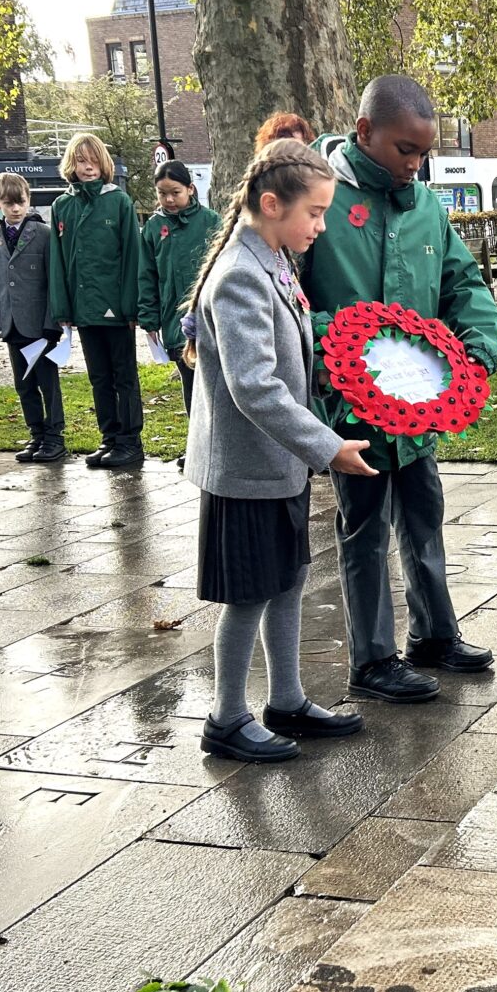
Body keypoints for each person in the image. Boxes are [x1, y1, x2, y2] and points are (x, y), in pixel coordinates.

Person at [304, 74, 497, 703]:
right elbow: (286, 297)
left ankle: (434, 635)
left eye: (423, 152)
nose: (415, 164)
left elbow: (463, 283)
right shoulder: (321, 199)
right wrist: (338, 340)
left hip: (417, 404)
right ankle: (372, 659)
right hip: (352, 405)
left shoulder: (426, 209)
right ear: (365, 131)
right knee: (364, 526)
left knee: (424, 512)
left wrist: (477, 351)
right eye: (404, 150)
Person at [185, 139, 376, 762]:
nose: (321, 226)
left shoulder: (271, 258)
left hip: (278, 464)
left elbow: (288, 353)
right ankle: (226, 719)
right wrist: (328, 447)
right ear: (272, 204)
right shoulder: (240, 274)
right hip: (246, 470)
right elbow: (255, 388)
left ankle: (286, 700)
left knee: (288, 581)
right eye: (314, 213)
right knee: (249, 597)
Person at [47, 131, 143, 469]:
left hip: (115, 306)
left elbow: (132, 257)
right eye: (80, 161)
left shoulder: (118, 202)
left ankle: (130, 440)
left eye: (92, 161)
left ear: (103, 164)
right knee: (98, 376)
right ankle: (109, 437)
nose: (87, 167)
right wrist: (63, 307)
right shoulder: (62, 206)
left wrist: (131, 306)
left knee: (123, 375)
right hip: (84, 307)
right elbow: (58, 261)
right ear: (71, 165)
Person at [138, 160, 219, 467]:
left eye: (175, 192)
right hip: (175, 321)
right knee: (190, 386)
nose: (169, 199)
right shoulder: (153, 228)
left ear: (190, 189)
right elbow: (147, 275)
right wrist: (149, 317)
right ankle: (197, 446)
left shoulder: (210, 221)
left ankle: (216, 447)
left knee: (213, 388)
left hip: (208, 318)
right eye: (163, 193)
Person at [0, 171, 65, 464]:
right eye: (9, 203)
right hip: (11, 323)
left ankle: (54, 435)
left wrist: (52, 322)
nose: (16, 208)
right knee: (23, 384)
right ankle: (36, 433)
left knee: (47, 382)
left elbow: (53, 280)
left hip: (39, 325)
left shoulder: (43, 234)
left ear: (29, 200)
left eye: (21, 202)